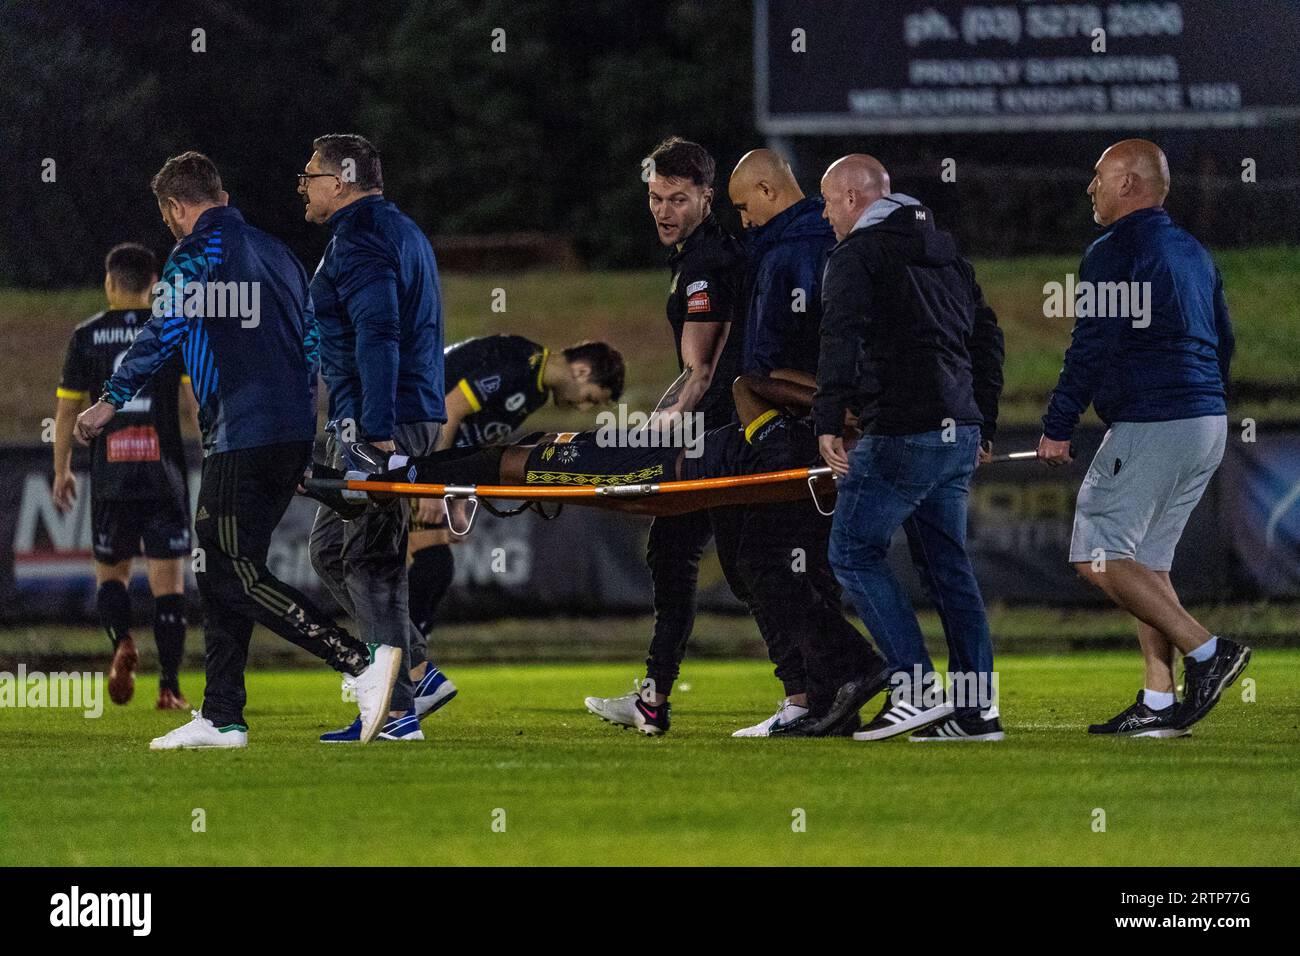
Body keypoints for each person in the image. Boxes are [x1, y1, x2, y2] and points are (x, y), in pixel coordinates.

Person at [75, 151, 394, 750]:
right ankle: (222, 714)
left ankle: (358, 660)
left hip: (242, 434)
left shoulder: (195, 255)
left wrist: (111, 399)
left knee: (231, 570)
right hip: (287, 431)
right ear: (219, 194)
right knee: (227, 571)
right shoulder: (279, 253)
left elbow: (163, 331)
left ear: (176, 207)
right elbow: (312, 343)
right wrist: (302, 433)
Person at [1038, 139, 1247, 738]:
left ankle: (1209, 653)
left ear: (1129, 184)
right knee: (1147, 564)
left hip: (1157, 418)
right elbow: (1224, 338)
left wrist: (1057, 425)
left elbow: (1090, 343)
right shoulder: (1193, 251)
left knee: (1095, 554)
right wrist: (1207, 400)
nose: (1090, 188)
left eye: (1099, 176)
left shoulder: (1114, 248)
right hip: (1204, 419)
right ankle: (1159, 704)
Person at [814, 154, 1007, 742]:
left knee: (852, 550)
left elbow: (839, 338)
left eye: (827, 203)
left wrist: (827, 420)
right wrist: (983, 423)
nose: (826, 216)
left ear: (852, 199)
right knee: (949, 568)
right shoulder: (950, 256)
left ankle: (915, 687)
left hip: (902, 429)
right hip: (958, 433)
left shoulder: (856, 257)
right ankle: (975, 713)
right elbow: (988, 341)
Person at [582, 136, 753, 735]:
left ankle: (829, 679)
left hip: (723, 437)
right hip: (725, 429)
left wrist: (654, 432)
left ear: (708, 196)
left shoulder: (705, 262)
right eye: (655, 197)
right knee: (683, 554)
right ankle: (654, 698)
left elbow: (702, 371)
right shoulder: (698, 256)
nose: (663, 211)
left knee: (747, 566)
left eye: (678, 199)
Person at [721, 148, 886, 736]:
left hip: (800, 436)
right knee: (810, 570)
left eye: (743, 207)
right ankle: (824, 703)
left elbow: (763, 369)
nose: (742, 222)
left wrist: (822, 409)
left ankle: (856, 669)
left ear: (768, 192)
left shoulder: (785, 253)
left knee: (762, 563)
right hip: (851, 429)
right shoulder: (838, 239)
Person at [299, 133, 452, 743]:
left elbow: (379, 335)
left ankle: (395, 710)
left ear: (341, 181)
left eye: (312, 174)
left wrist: (378, 435)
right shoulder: (400, 230)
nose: (304, 185)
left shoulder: (359, 238)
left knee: (372, 560)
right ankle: (416, 671)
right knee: (332, 552)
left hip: (377, 421)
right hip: (380, 415)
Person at [53, 242, 196, 710]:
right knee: (169, 585)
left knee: (110, 576)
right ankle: (169, 688)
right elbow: (195, 409)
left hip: (112, 475)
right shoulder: (171, 333)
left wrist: (61, 471)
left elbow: (67, 412)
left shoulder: (86, 335)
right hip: (163, 474)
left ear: (110, 283)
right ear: (155, 286)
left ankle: (121, 643)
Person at [406, 335, 624, 641]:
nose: (583, 407)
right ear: (582, 371)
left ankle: (401, 663)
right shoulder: (520, 361)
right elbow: (449, 408)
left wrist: (456, 501)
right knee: (427, 565)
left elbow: (470, 441)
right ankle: (402, 664)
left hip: (423, 458)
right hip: (407, 445)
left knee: (428, 568)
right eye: (591, 397)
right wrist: (428, 485)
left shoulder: (534, 391)